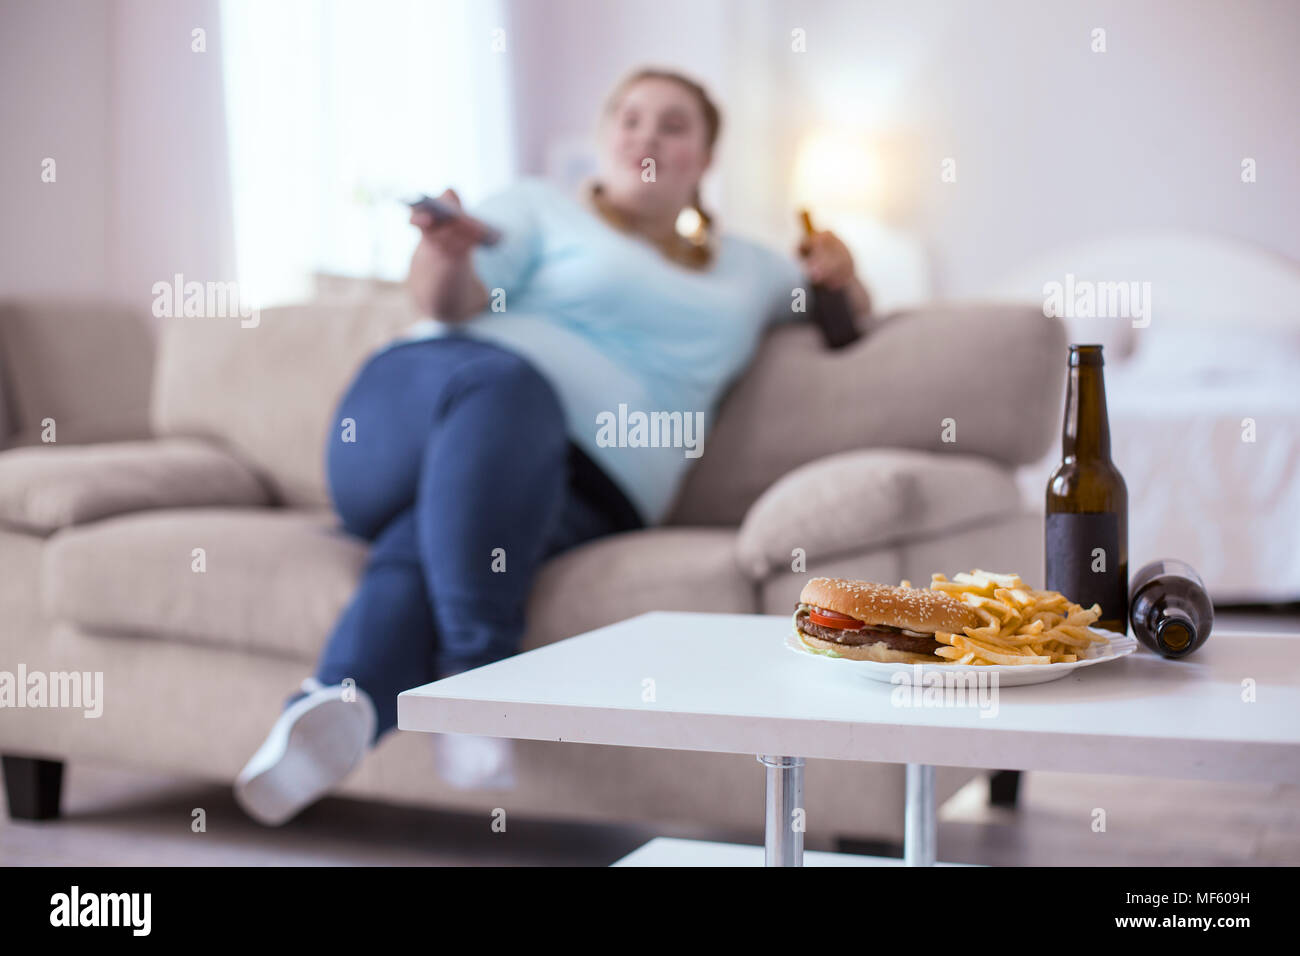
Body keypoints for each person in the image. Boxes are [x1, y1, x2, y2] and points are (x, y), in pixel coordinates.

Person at [233, 67, 873, 825]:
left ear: (704, 160)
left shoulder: (752, 269)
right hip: (414, 416)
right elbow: (450, 301)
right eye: (628, 119)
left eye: (673, 126)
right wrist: (445, 252)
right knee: (512, 388)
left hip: (572, 490)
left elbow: (844, 319)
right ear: (604, 139)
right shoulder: (537, 209)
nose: (646, 137)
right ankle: (479, 680)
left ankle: (334, 704)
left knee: (442, 533)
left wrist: (846, 273)